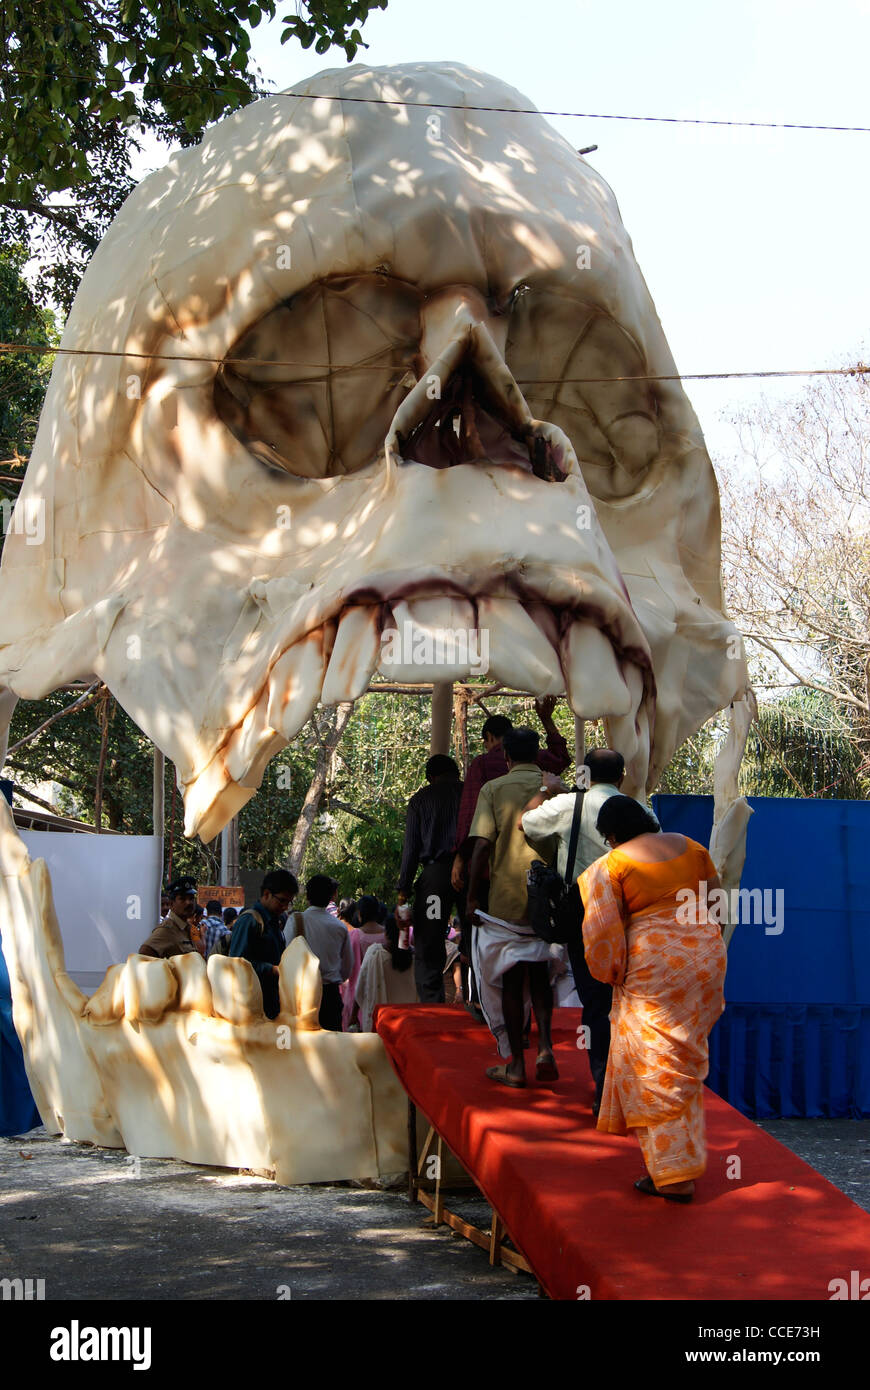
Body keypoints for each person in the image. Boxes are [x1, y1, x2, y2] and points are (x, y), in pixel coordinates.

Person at [578, 795, 727, 1202]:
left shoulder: (609, 866)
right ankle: (675, 1162)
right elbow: (718, 907)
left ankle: (674, 1174)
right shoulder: (693, 847)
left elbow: (603, 936)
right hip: (705, 959)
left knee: (655, 1065)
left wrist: (611, 975)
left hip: (654, 969)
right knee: (681, 1058)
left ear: (610, 835)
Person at [521, 747, 654, 1114]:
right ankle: (636, 1087)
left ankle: (604, 1091)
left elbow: (526, 823)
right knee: (631, 999)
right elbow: (656, 840)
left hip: (584, 911)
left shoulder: (568, 805)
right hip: (632, 910)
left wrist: (551, 790)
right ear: (623, 776)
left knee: (595, 1000)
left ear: (586, 775)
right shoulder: (639, 810)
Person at [465, 726, 557, 1088]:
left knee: (512, 978)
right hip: (549, 899)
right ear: (536, 754)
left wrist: (472, 896)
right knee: (540, 975)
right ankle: (546, 1047)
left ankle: (517, 1065)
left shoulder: (494, 789)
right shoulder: (556, 787)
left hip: (506, 899)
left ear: (505, 756)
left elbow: (482, 846)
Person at [397, 754, 463, 1004]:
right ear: (456, 773)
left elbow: (411, 849)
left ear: (430, 777)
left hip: (436, 879)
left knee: (431, 938)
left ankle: (432, 1005)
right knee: (474, 934)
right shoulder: (471, 793)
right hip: (470, 873)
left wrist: (403, 892)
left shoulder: (421, 800)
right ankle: (478, 998)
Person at [229, 870, 298, 1020]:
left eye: (289, 902)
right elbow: (236, 963)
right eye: (282, 900)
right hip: (250, 1009)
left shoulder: (275, 922)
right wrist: (271, 969)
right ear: (266, 894)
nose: (285, 907)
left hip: (272, 1005)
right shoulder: (249, 921)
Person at [291, 874, 354, 1031]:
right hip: (330, 995)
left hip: (301, 995)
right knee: (332, 1047)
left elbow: (285, 958)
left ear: (307, 896)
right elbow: (347, 967)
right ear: (332, 896)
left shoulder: (296, 920)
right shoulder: (339, 927)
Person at [350, 913, 419, 1031]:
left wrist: (353, 1015)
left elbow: (360, 988)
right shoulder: (416, 958)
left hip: (382, 1025)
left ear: (386, 933)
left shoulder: (375, 953)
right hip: (408, 1024)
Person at [341, 894, 387, 1030]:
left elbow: (346, 969)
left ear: (359, 914)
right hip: (383, 995)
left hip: (357, 998)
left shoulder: (354, 936)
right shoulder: (388, 936)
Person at [139, 877, 200, 959]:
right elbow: (144, 953)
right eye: (182, 899)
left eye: (191, 899)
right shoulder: (167, 929)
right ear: (171, 904)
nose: (188, 903)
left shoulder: (186, 927)